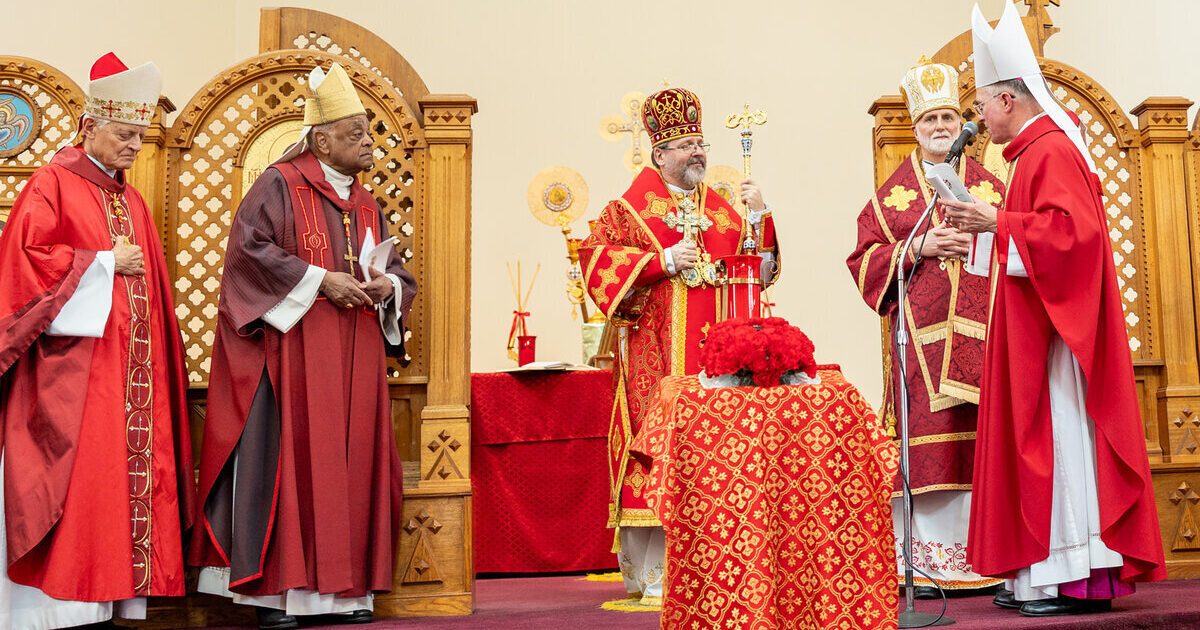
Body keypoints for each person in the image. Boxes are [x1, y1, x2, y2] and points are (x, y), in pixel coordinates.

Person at [939, 2, 1165, 617]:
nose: (979, 119)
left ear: (1008, 99)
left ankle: (1071, 575)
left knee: (1058, 442)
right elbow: (1034, 234)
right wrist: (982, 231)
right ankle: (1040, 576)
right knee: (1039, 445)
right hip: (1035, 324)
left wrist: (997, 222)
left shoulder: (1052, 152)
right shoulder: (1029, 156)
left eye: (982, 104)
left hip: (1060, 342)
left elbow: (1075, 239)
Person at [189, 63, 416, 630]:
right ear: (321, 139)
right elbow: (246, 256)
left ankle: (346, 594)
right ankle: (275, 595)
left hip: (356, 353)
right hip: (291, 353)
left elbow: (395, 269)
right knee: (288, 461)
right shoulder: (279, 184)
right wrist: (318, 280)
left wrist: (390, 286)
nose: (369, 143)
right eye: (357, 133)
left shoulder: (366, 203)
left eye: (370, 133)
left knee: (352, 459)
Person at [0, 52, 194, 628]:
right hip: (73, 374)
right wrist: (103, 263)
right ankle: (57, 609)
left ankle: (109, 596)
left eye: (140, 136)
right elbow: (23, 266)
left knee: (120, 480)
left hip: (130, 372)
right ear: (89, 128)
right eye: (125, 135)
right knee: (82, 480)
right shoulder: (51, 184)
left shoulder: (130, 198)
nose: (135, 146)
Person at [580, 87, 779, 609]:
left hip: (719, 358)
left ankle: (722, 569)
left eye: (700, 143)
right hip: (657, 355)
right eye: (685, 145)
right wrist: (662, 261)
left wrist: (761, 218)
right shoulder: (626, 211)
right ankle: (655, 576)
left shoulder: (725, 211)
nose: (697, 153)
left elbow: (758, 272)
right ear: (659, 153)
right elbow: (595, 266)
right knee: (658, 448)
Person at [847, 57, 1006, 598]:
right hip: (920, 347)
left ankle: (991, 555)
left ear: (960, 124)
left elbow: (1016, 248)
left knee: (985, 442)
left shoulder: (989, 186)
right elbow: (863, 260)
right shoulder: (892, 196)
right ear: (914, 130)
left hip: (987, 341)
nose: (940, 128)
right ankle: (933, 560)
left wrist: (983, 241)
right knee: (932, 444)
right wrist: (920, 246)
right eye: (929, 121)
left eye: (947, 118)